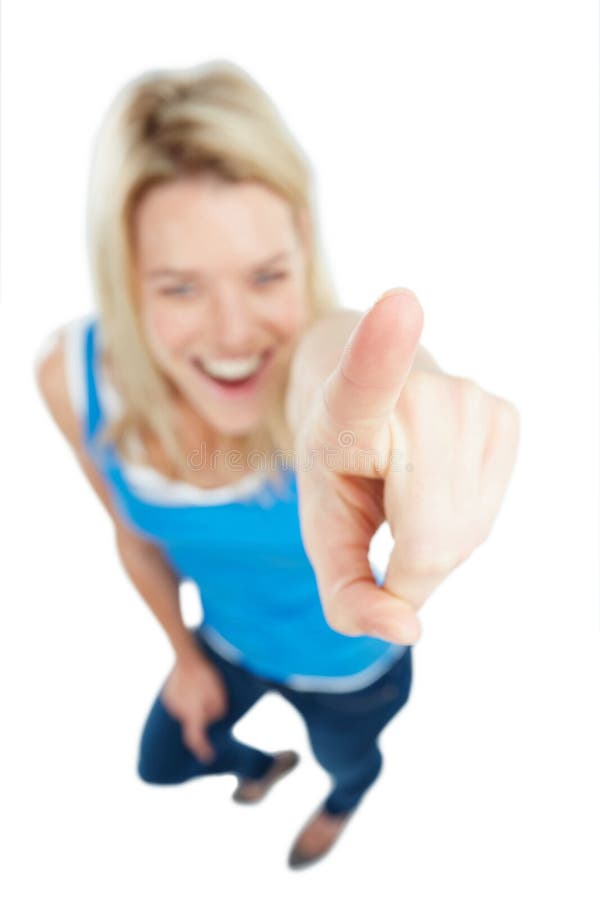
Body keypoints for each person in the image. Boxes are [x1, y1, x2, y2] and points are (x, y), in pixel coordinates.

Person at [34, 59, 519, 870]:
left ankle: (342, 799)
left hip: (349, 667)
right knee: (162, 763)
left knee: (349, 758)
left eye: (266, 276)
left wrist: (414, 396)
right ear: (123, 281)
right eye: (180, 287)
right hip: (226, 645)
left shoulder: (319, 379)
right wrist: (183, 657)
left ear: (304, 249)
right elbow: (132, 536)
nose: (232, 335)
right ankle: (258, 766)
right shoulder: (74, 380)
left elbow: (343, 363)